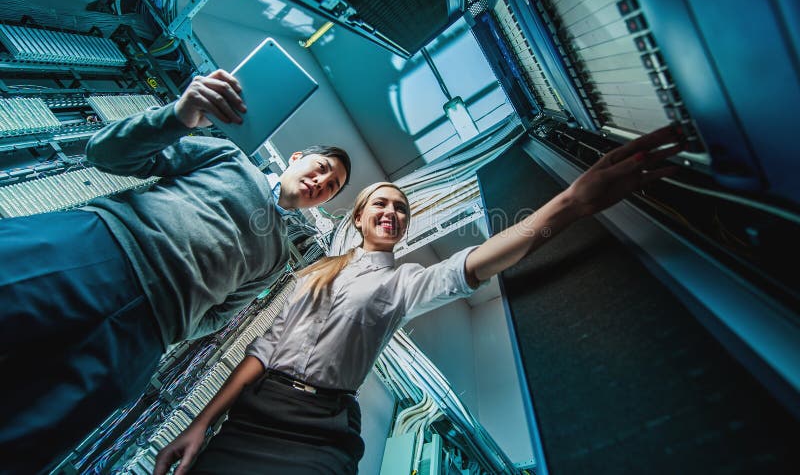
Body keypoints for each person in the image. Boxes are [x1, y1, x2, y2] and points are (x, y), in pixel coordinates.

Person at [153, 125, 683, 475]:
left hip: (317, 437)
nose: (392, 212)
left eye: (401, 209)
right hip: (251, 419)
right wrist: (203, 422)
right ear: (357, 217)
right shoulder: (315, 273)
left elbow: (476, 262)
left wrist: (571, 203)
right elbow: (260, 354)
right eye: (380, 204)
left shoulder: (403, 281)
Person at [0, 69, 351, 474]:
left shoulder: (276, 259)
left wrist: (169, 324)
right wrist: (180, 115)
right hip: (96, 252)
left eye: (333, 186)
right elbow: (106, 154)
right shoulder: (230, 160)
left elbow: (219, 316)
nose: (322, 181)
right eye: (322, 167)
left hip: (140, 337)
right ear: (296, 158)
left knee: (25, 435)